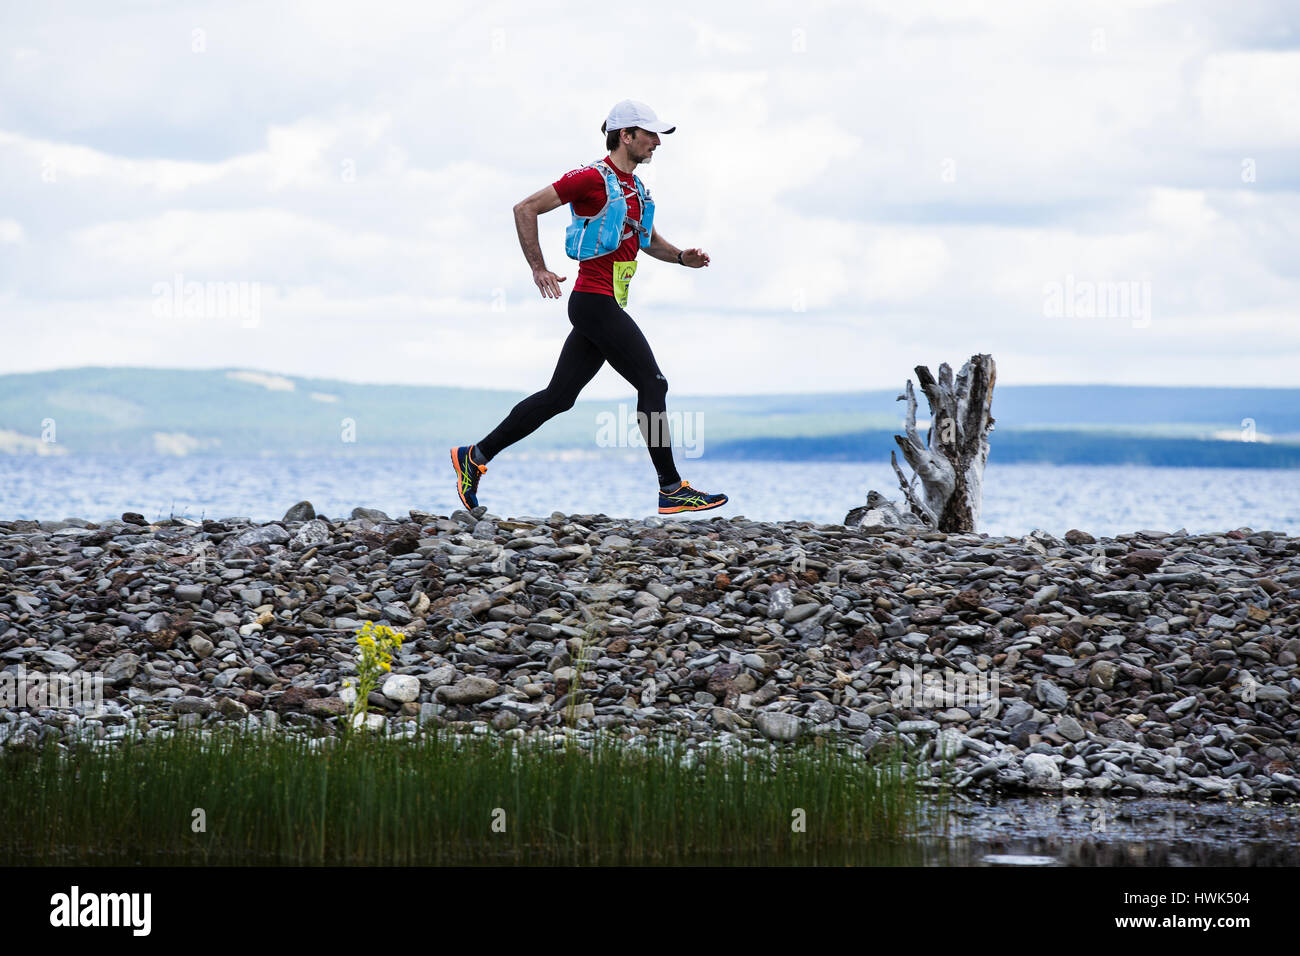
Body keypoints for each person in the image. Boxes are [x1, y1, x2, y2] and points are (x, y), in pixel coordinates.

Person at [451, 99, 728, 516]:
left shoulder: (635, 189)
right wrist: (538, 268)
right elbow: (524, 208)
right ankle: (671, 488)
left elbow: (648, 240)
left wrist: (680, 258)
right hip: (593, 302)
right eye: (650, 134)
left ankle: (474, 456)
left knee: (558, 397)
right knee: (654, 384)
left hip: (604, 304)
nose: (657, 143)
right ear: (625, 135)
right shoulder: (589, 178)